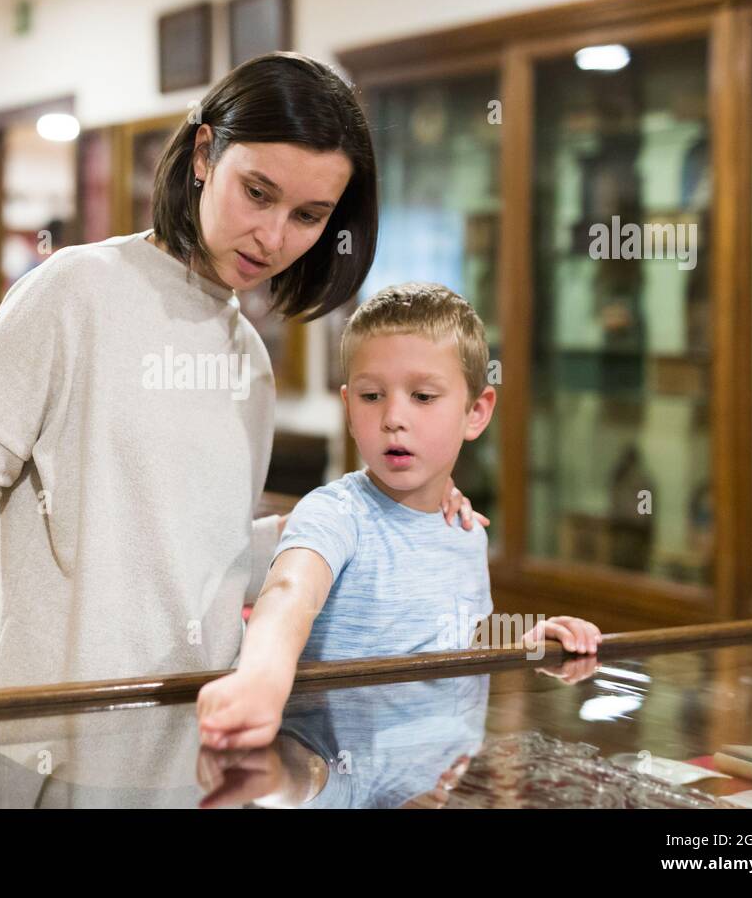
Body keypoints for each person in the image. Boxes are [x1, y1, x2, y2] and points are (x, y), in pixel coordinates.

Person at [0, 53, 485, 709]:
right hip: (44, 739)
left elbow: (206, 562)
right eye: (257, 193)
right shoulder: (72, 291)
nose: (274, 236)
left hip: (195, 743)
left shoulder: (250, 359)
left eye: (308, 216)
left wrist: (389, 512)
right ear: (203, 155)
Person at [196, 282, 602, 749]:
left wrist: (526, 644)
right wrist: (261, 678)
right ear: (349, 408)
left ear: (476, 412)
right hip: (332, 773)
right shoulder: (335, 513)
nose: (393, 417)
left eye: (423, 397)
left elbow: (451, 650)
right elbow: (290, 591)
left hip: (433, 775)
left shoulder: (465, 531)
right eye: (372, 396)